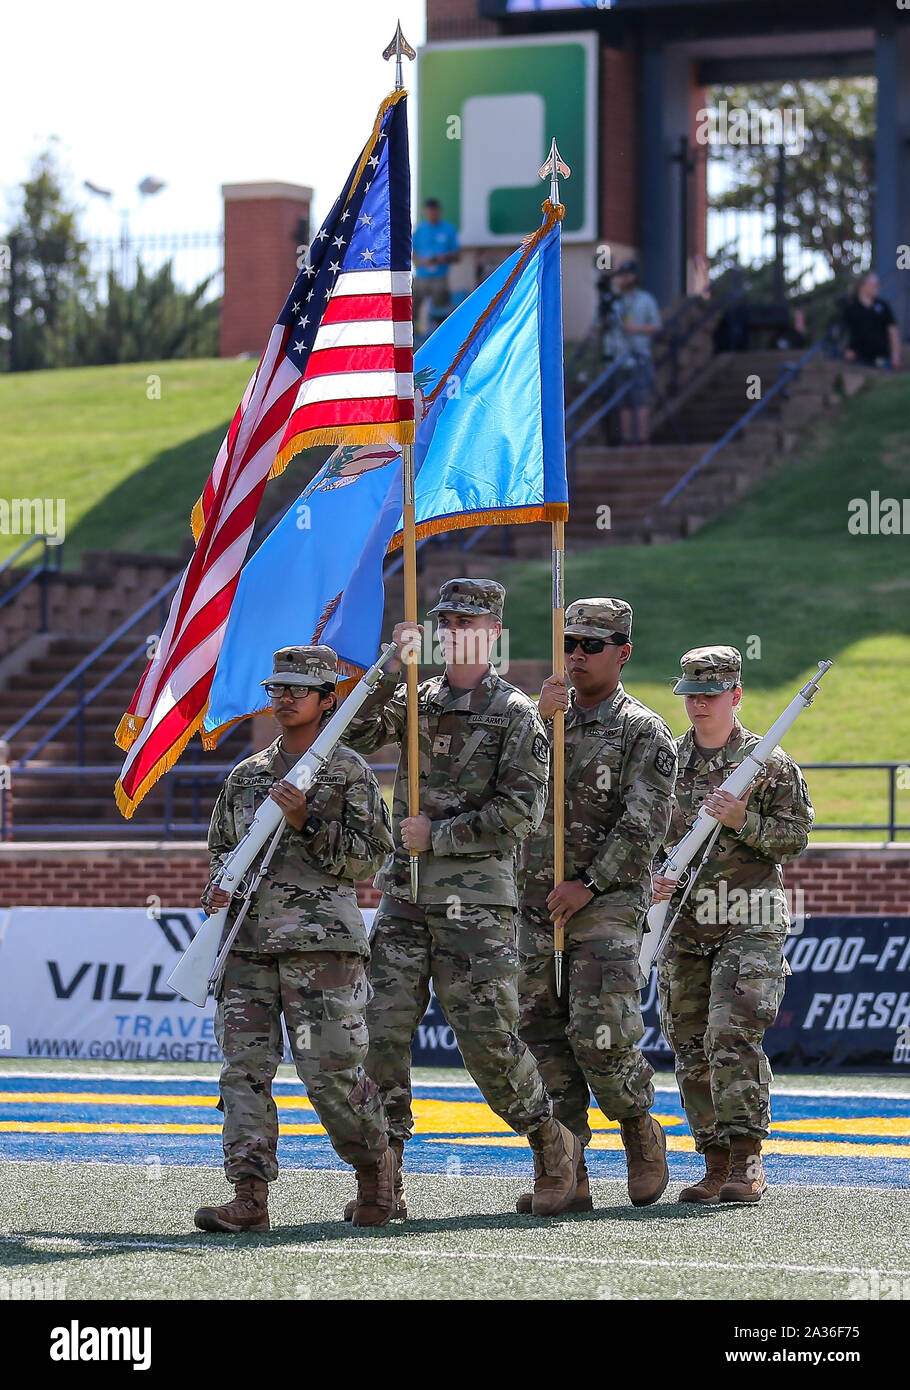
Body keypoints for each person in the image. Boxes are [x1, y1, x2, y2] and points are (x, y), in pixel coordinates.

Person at [344, 578, 583, 1219]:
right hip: (404, 898)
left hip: (476, 904)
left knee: (487, 1038)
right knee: (380, 1033)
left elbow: (522, 811)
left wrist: (440, 835)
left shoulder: (516, 714)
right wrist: (388, 665)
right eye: (445, 620)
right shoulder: (415, 699)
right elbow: (355, 737)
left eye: (467, 622)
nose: (454, 631)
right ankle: (383, 1174)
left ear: (492, 631)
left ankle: (551, 1144)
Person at [193, 645, 396, 1233]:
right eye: (275, 690)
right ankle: (248, 1193)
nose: (283, 700)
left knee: (330, 1071)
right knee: (243, 1071)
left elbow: (369, 861)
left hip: (321, 946)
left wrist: (307, 820)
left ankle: (374, 1170)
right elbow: (222, 853)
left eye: (296, 691)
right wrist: (218, 890)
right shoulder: (248, 774)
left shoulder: (349, 771)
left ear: (328, 700)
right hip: (248, 947)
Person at [517, 598, 678, 1210]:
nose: (577, 655)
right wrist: (537, 721)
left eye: (592, 645)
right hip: (533, 900)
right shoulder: (540, 722)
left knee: (599, 1032)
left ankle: (639, 1128)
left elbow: (646, 823)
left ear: (623, 653)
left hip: (604, 901)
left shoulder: (642, 730)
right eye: (569, 644)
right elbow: (508, 789)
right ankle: (566, 1166)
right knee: (541, 1035)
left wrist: (589, 882)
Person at [653, 646, 814, 1204]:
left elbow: (794, 840)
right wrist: (651, 878)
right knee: (689, 1040)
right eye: (691, 695)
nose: (698, 705)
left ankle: (746, 1158)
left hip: (750, 916)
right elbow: (644, 835)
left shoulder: (767, 764)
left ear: (735, 695)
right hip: (684, 921)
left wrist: (743, 819)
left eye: (709, 694)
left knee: (731, 1030)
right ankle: (714, 1160)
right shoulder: (668, 764)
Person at [601, 260, 661, 445]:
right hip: (620, 358)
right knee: (623, 403)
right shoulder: (614, 301)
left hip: (639, 356)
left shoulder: (645, 299)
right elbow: (601, 326)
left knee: (642, 399)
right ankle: (626, 440)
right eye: (622, 275)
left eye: (628, 274)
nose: (624, 278)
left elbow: (656, 326)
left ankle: (643, 439)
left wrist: (635, 329)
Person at [412, 198, 459, 335]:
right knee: (413, 308)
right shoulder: (420, 230)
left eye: (434, 211)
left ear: (439, 211)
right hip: (421, 277)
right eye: (429, 211)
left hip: (440, 277)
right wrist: (423, 262)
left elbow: (457, 255)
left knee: (441, 311)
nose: (432, 214)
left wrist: (443, 258)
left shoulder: (448, 229)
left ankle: (440, 335)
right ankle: (415, 334)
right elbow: (413, 255)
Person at [840, 272, 901, 370]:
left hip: (881, 358)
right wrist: (845, 350)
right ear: (862, 286)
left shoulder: (883, 306)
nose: (877, 287)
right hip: (858, 359)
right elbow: (841, 332)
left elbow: (893, 331)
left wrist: (896, 355)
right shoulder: (851, 307)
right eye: (874, 285)